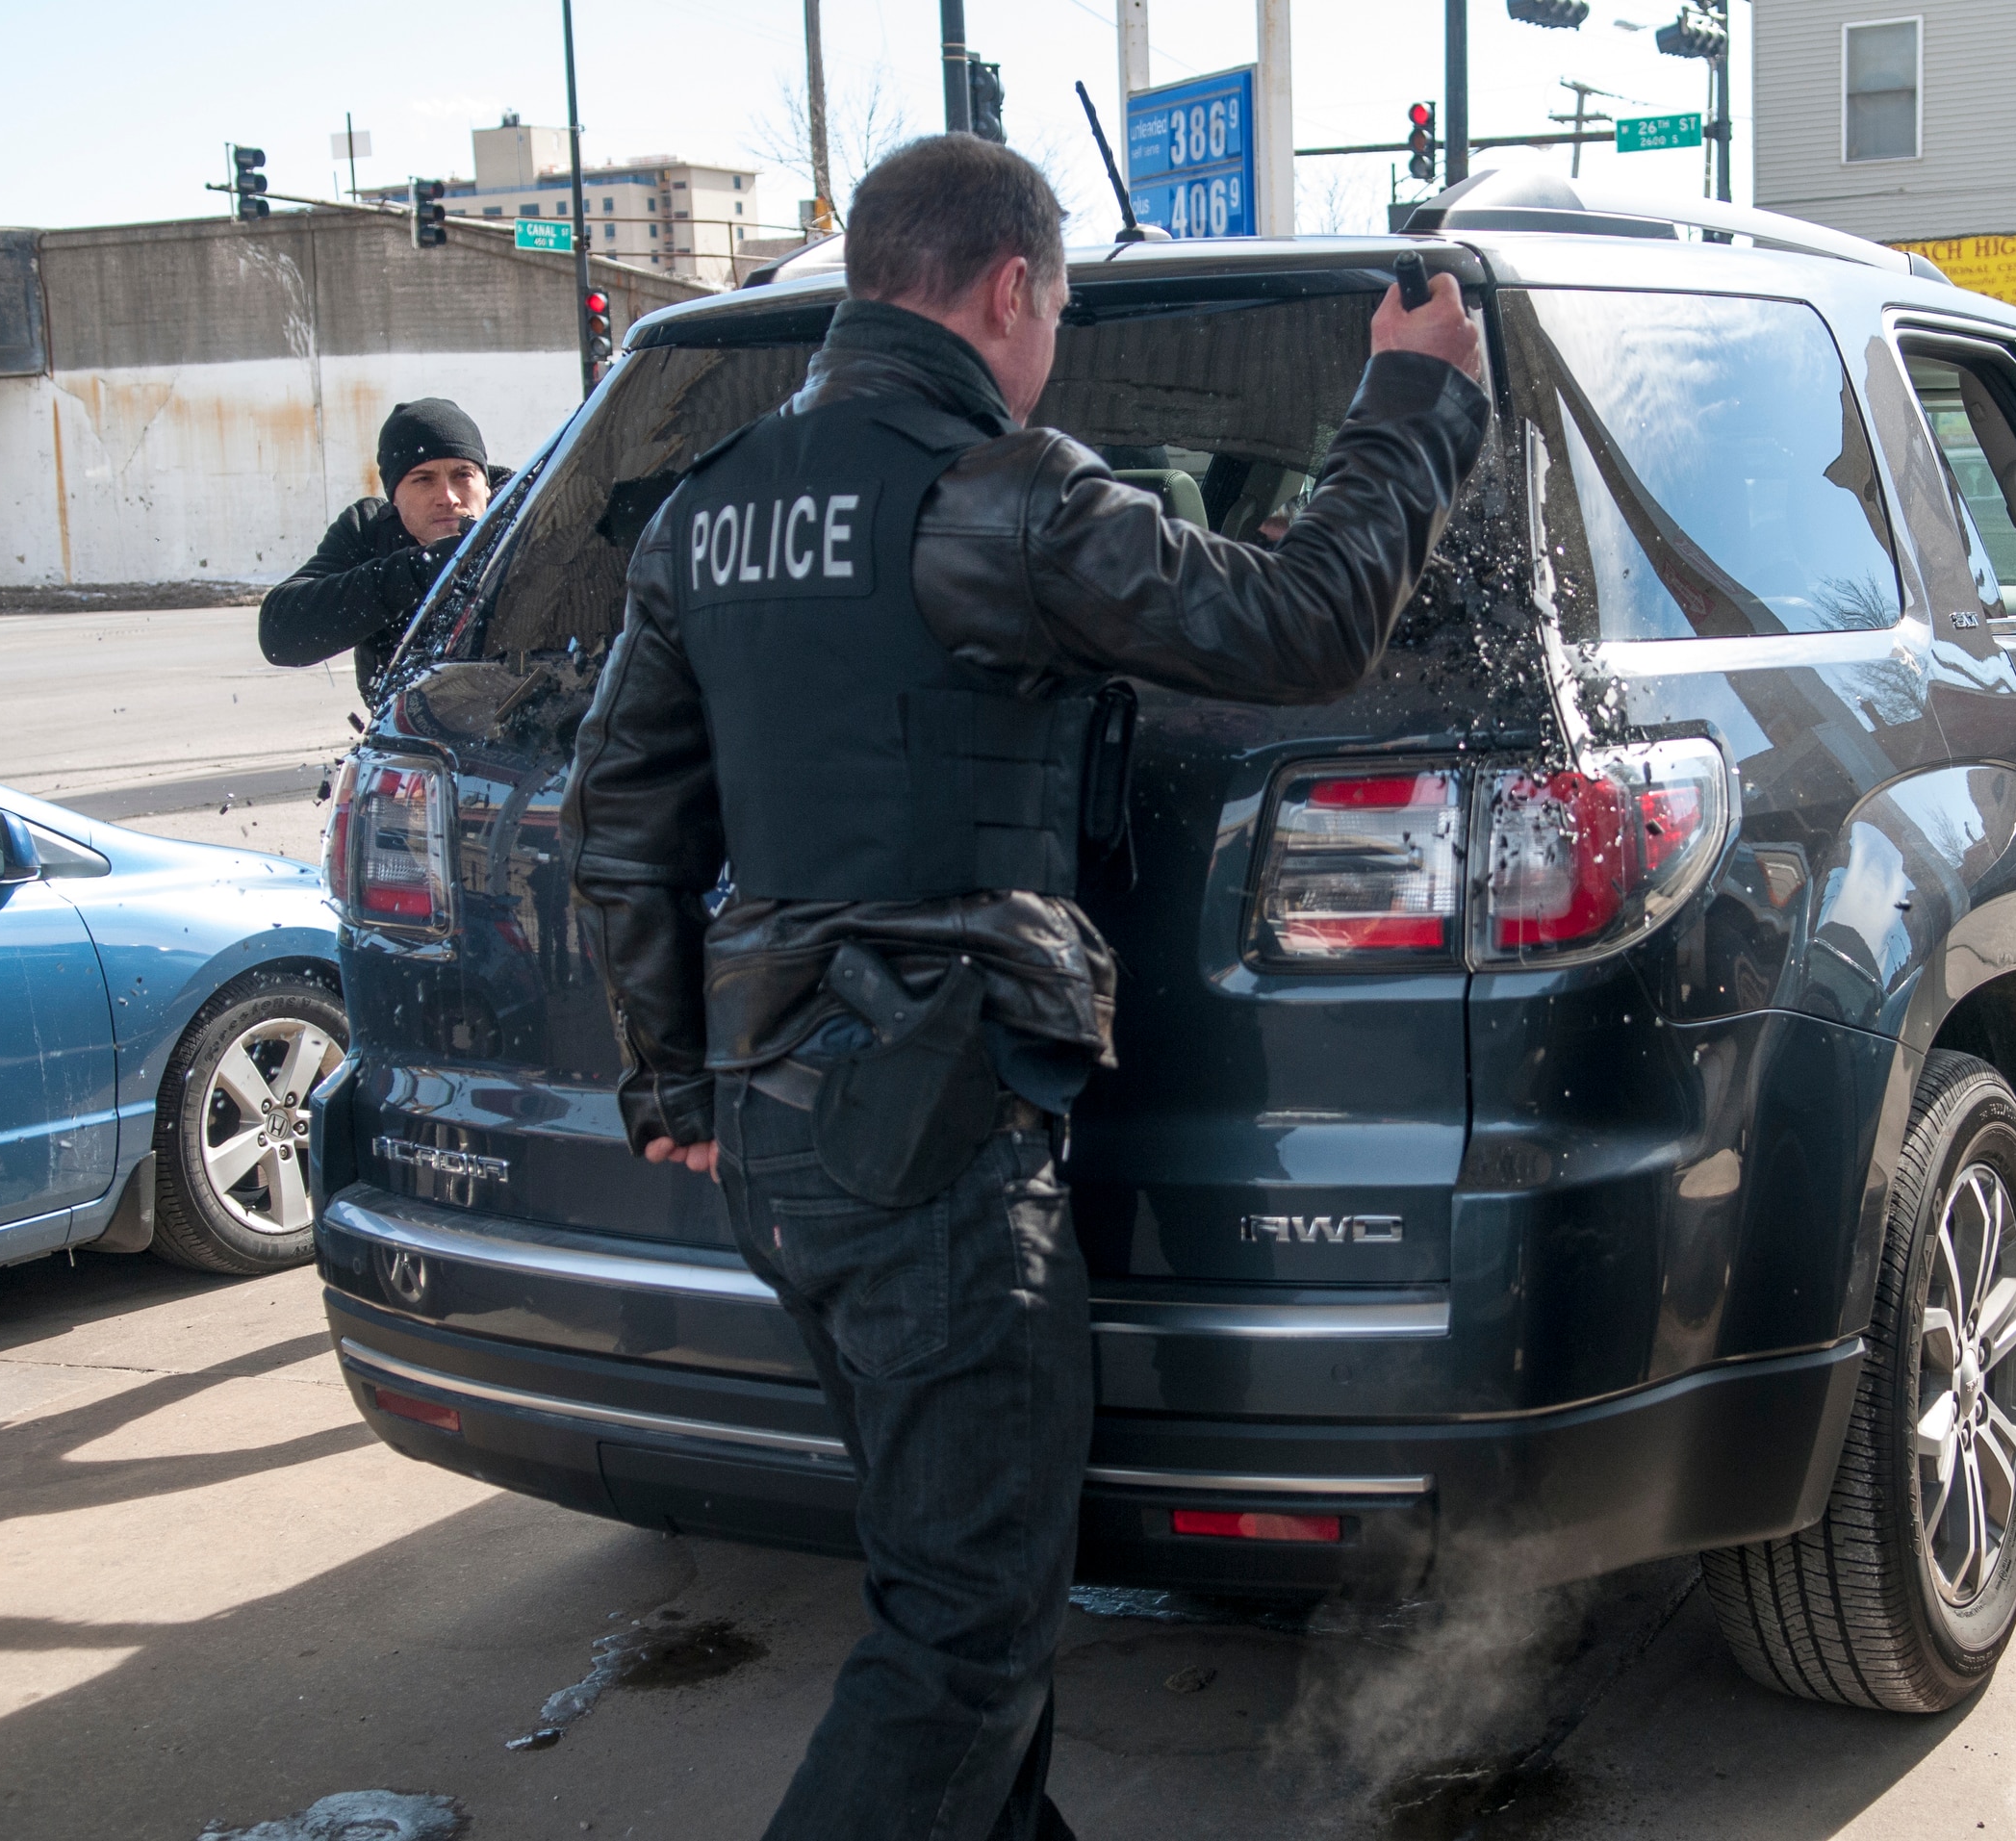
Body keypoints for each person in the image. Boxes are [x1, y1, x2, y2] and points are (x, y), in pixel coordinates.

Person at [561, 133, 1486, 1841]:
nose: (1051, 338)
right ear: (1009, 288)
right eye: (1057, 305)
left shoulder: (714, 506)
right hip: (932, 1133)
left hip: (780, 1130)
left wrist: (668, 1082)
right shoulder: (1004, 494)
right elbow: (1302, 627)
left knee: (950, 1576)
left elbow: (617, 820)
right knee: (967, 1634)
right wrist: (1411, 404)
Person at [258, 397, 508, 702]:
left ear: (486, 485)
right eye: (423, 480)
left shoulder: (530, 515)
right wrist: (418, 570)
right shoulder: (371, 531)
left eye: (463, 475)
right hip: (411, 731)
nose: (448, 497)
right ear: (394, 497)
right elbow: (280, 635)